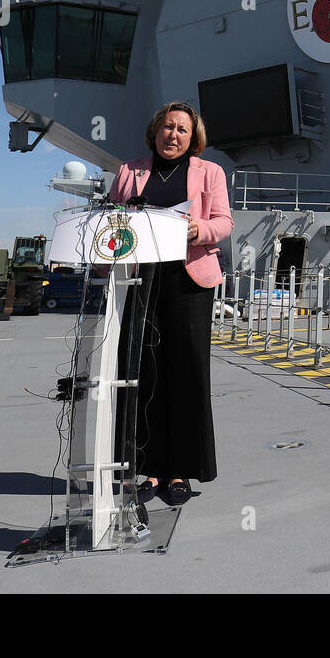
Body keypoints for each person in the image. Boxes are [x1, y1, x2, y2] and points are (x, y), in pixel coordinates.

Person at [108, 101, 232, 505]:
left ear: (192, 136)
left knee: (186, 374)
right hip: (141, 281)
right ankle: (149, 469)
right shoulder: (129, 171)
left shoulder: (209, 172)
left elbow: (225, 223)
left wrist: (199, 228)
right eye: (167, 127)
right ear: (155, 131)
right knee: (142, 373)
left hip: (188, 282)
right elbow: (111, 217)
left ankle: (180, 472)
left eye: (181, 129)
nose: (173, 135)